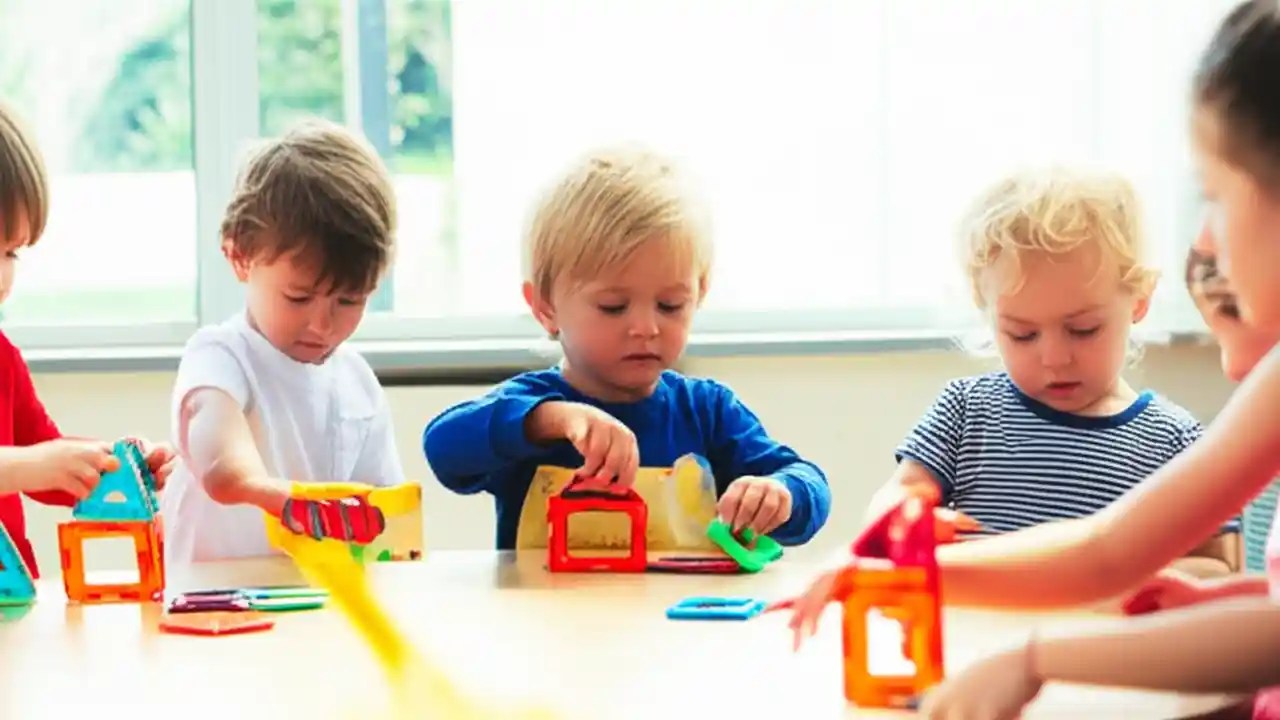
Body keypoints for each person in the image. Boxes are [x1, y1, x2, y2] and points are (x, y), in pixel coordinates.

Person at [782, 3, 1280, 717]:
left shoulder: (1186, 425)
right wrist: (895, 564)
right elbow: (1109, 553)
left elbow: (1142, 572)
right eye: (1022, 331)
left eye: (1220, 192)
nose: (1207, 234)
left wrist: (1038, 654)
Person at [422, 145, 831, 550]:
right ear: (546, 307)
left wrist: (780, 494)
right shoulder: (536, 409)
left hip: (677, 616)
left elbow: (808, 483)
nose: (646, 327)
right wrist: (551, 421)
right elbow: (443, 447)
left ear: (699, 294)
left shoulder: (707, 412)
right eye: (613, 307)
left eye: (671, 305)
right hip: (550, 617)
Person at [867, 167, 1234, 574]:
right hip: (973, 631)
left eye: (1083, 330)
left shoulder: (1176, 443)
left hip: (1096, 636)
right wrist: (903, 523)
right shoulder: (967, 409)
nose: (1055, 358)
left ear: (1139, 301)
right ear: (986, 311)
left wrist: (1125, 573)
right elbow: (895, 500)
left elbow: (1218, 570)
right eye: (1022, 334)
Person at [161, 119, 403, 565]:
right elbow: (223, 468)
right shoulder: (220, 357)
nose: (322, 325)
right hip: (210, 605)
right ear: (239, 257)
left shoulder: (357, 382)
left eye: (349, 300)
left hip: (315, 602)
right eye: (299, 297)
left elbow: (384, 515)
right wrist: (292, 504)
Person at [0, 102, 174, 579]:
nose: (2, 275)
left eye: (11, 252)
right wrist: (35, 464)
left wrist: (111, 462)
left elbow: (44, 452)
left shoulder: (3, 358)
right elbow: (33, 462)